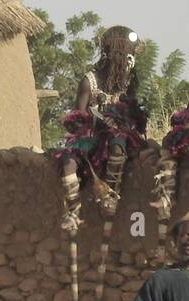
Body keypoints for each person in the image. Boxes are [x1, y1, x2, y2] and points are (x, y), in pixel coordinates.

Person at [54, 26, 149, 233]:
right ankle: (73, 212)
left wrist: (124, 123)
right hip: (90, 138)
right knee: (69, 163)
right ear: (112, 56)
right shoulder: (89, 82)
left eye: (129, 57)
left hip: (118, 138)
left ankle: (109, 198)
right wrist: (93, 124)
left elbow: (134, 115)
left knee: (118, 146)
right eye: (123, 56)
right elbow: (78, 117)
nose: (127, 62)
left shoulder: (129, 83)